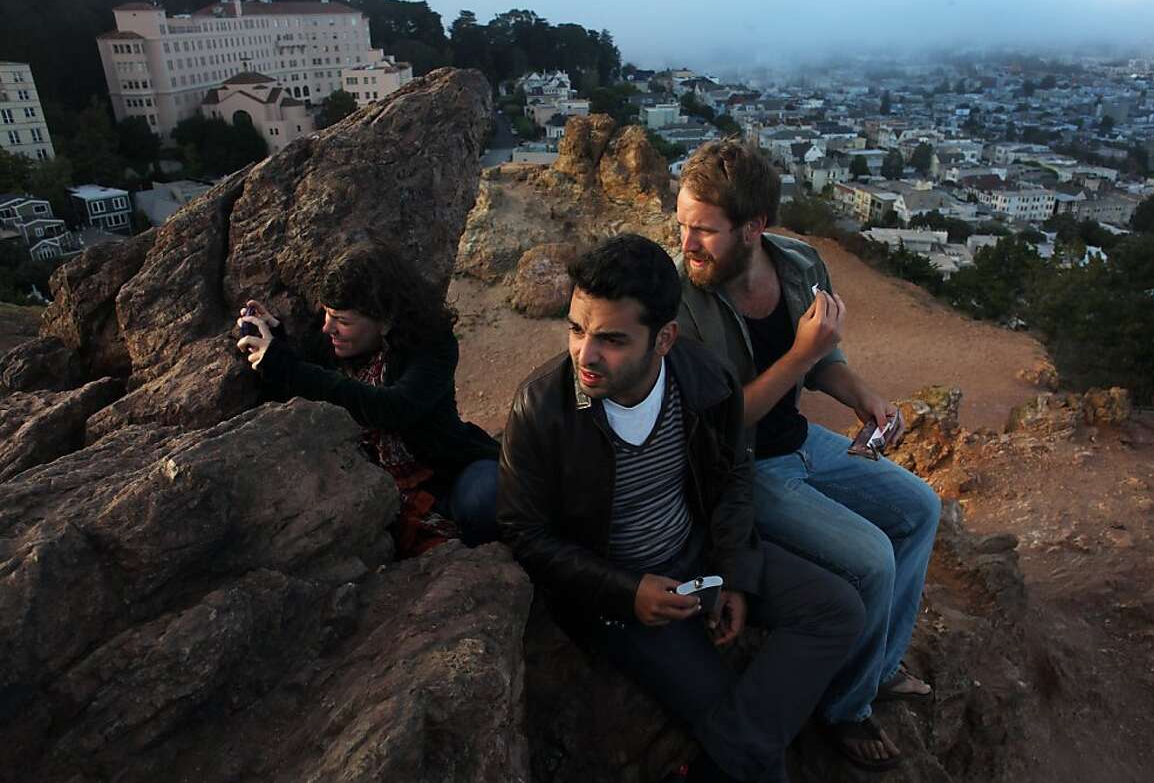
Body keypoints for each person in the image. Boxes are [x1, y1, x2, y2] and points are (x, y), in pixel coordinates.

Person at [498, 234, 865, 783]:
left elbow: (734, 475)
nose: (585, 355)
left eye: (612, 339)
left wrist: (735, 575)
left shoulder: (703, 378)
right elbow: (524, 534)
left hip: (697, 557)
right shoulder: (543, 407)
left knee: (839, 610)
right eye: (576, 329)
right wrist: (627, 592)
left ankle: (719, 761)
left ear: (664, 338)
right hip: (617, 592)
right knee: (744, 731)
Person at [674, 139, 942, 771]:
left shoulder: (799, 264)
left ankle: (876, 663)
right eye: (682, 225)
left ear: (754, 228)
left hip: (800, 441)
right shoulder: (683, 299)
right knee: (872, 558)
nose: (686, 245)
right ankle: (846, 709)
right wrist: (798, 354)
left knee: (921, 507)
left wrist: (864, 398)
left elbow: (822, 362)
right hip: (743, 467)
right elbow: (720, 421)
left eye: (704, 231)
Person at [235, 242, 500, 556]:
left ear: (385, 321)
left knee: (487, 498)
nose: (327, 328)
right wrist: (276, 343)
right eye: (328, 314)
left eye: (343, 321)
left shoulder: (433, 347)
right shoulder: (332, 343)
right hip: (376, 489)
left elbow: (391, 408)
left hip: (445, 475)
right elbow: (305, 386)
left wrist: (289, 367)